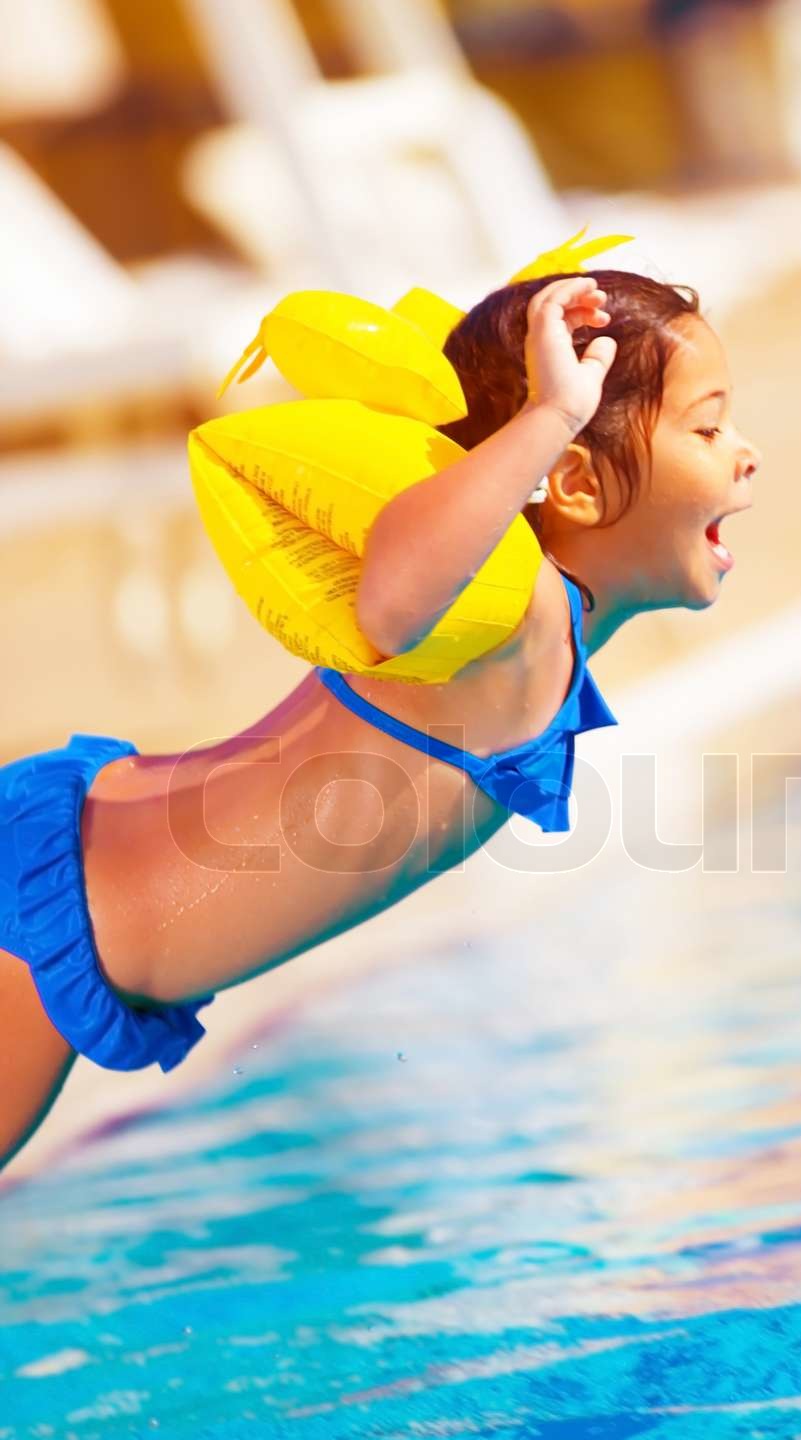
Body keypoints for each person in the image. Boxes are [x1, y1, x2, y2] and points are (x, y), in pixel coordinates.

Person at [0, 269, 762, 1165]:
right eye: (708, 428)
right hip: (56, 908)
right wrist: (550, 413)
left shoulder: (545, 626)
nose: (745, 450)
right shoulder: (509, 614)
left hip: (80, 864)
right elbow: (391, 601)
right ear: (575, 484)